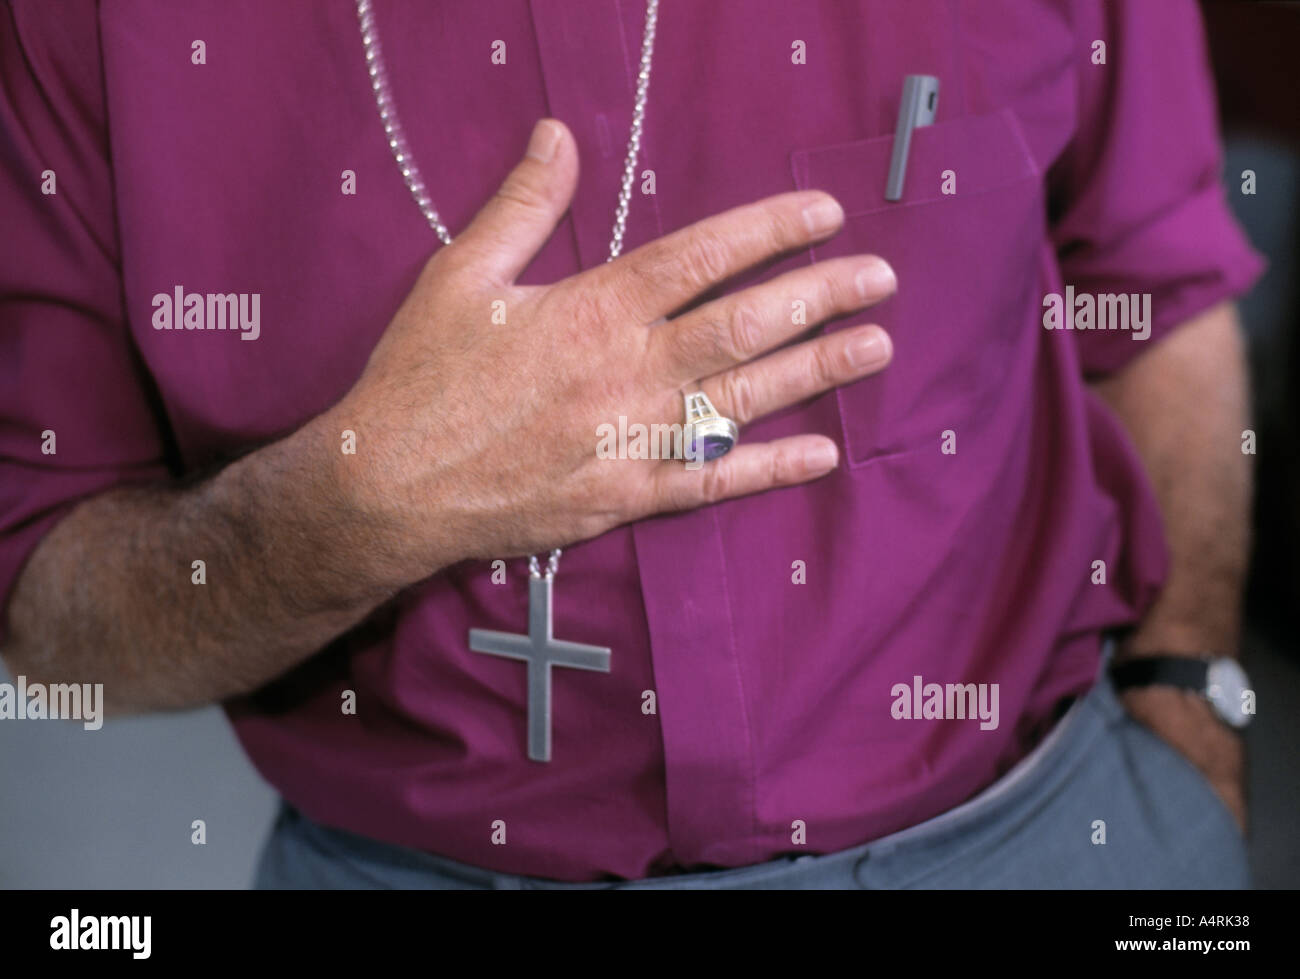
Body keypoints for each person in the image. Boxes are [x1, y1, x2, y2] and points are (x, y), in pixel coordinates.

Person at [0, 0, 1264, 888]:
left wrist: (1190, 702)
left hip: (1030, 834)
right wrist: (357, 505)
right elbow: (43, 627)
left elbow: (1158, 289)